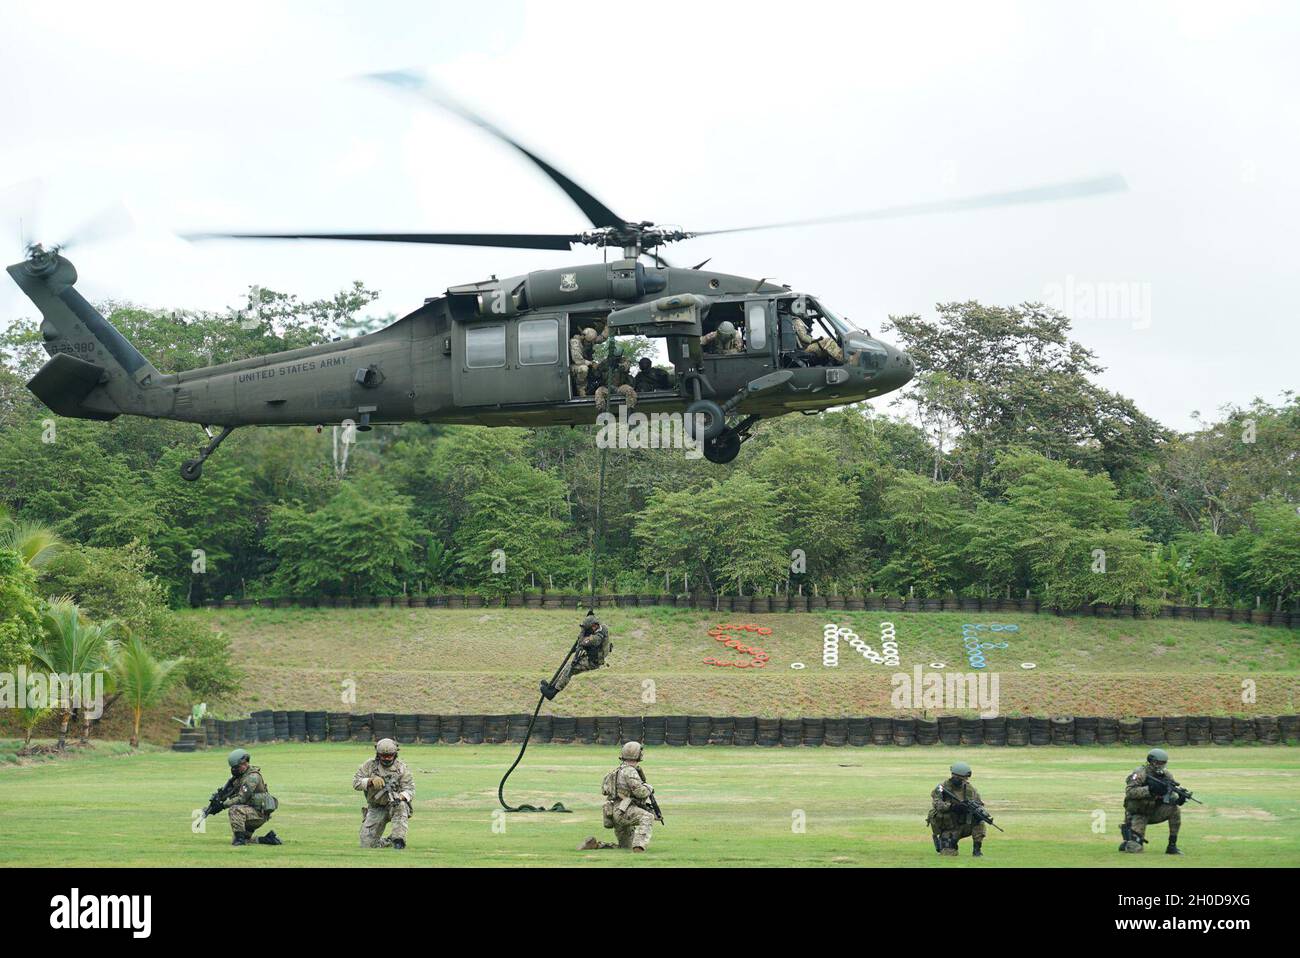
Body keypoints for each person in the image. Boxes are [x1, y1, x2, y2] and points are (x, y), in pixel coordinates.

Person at [579, 740, 656, 852]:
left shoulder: (616, 772)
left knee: (625, 847)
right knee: (647, 817)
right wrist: (649, 788)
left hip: (614, 812)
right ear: (638, 755)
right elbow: (640, 792)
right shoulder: (630, 771)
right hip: (626, 811)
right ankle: (639, 846)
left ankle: (596, 845)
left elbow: (605, 791)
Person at [1120, 747, 1185, 854]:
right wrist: (1149, 790)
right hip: (1138, 813)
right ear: (1152, 761)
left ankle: (1172, 846)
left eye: (1163, 763)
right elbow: (1130, 792)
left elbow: (1170, 796)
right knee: (1135, 849)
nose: (1161, 765)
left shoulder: (1166, 775)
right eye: (1159, 763)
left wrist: (1179, 799)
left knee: (1175, 810)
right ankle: (1128, 841)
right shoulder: (1140, 773)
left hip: (1155, 811)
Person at [353, 738, 415, 849]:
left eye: (390, 756)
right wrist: (370, 781)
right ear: (378, 754)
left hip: (394, 805)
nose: (387, 758)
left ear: (395, 754)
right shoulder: (369, 766)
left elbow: (410, 789)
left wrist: (400, 797)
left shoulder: (401, 768)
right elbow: (356, 783)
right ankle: (387, 841)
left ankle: (398, 840)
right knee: (366, 845)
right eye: (383, 756)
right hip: (375, 807)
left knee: (400, 806)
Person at [540, 612, 611, 700]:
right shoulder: (601, 627)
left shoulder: (596, 638)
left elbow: (582, 641)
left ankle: (553, 692)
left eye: (589, 628)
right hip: (591, 656)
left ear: (594, 626)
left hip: (593, 662)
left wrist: (583, 631)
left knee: (570, 668)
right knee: (567, 667)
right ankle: (552, 686)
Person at [220, 748, 282, 846]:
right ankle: (267, 839)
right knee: (244, 839)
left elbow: (241, 798)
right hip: (250, 811)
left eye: (236, 767)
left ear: (245, 764)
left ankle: (239, 841)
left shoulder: (252, 777)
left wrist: (223, 805)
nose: (234, 770)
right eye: (232, 768)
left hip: (258, 813)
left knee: (235, 810)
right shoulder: (239, 777)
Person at [927, 761, 987, 857]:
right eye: (961, 778)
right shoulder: (941, 788)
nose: (964, 781)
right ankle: (944, 843)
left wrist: (976, 811)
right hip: (949, 827)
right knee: (948, 854)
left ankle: (977, 850)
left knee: (979, 821)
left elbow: (979, 804)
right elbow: (937, 804)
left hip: (964, 825)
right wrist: (953, 807)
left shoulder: (970, 789)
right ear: (954, 776)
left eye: (965, 779)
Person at [569, 325, 606, 396]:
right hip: (572, 367)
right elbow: (577, 360)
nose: (591, 344)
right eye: (589, 342)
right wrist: (591, 363)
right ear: (583, 338)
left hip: (582, 364)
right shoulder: (575, 342)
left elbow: (601, 339)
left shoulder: (588, 341)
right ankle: (580, 389)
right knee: (584, 369)